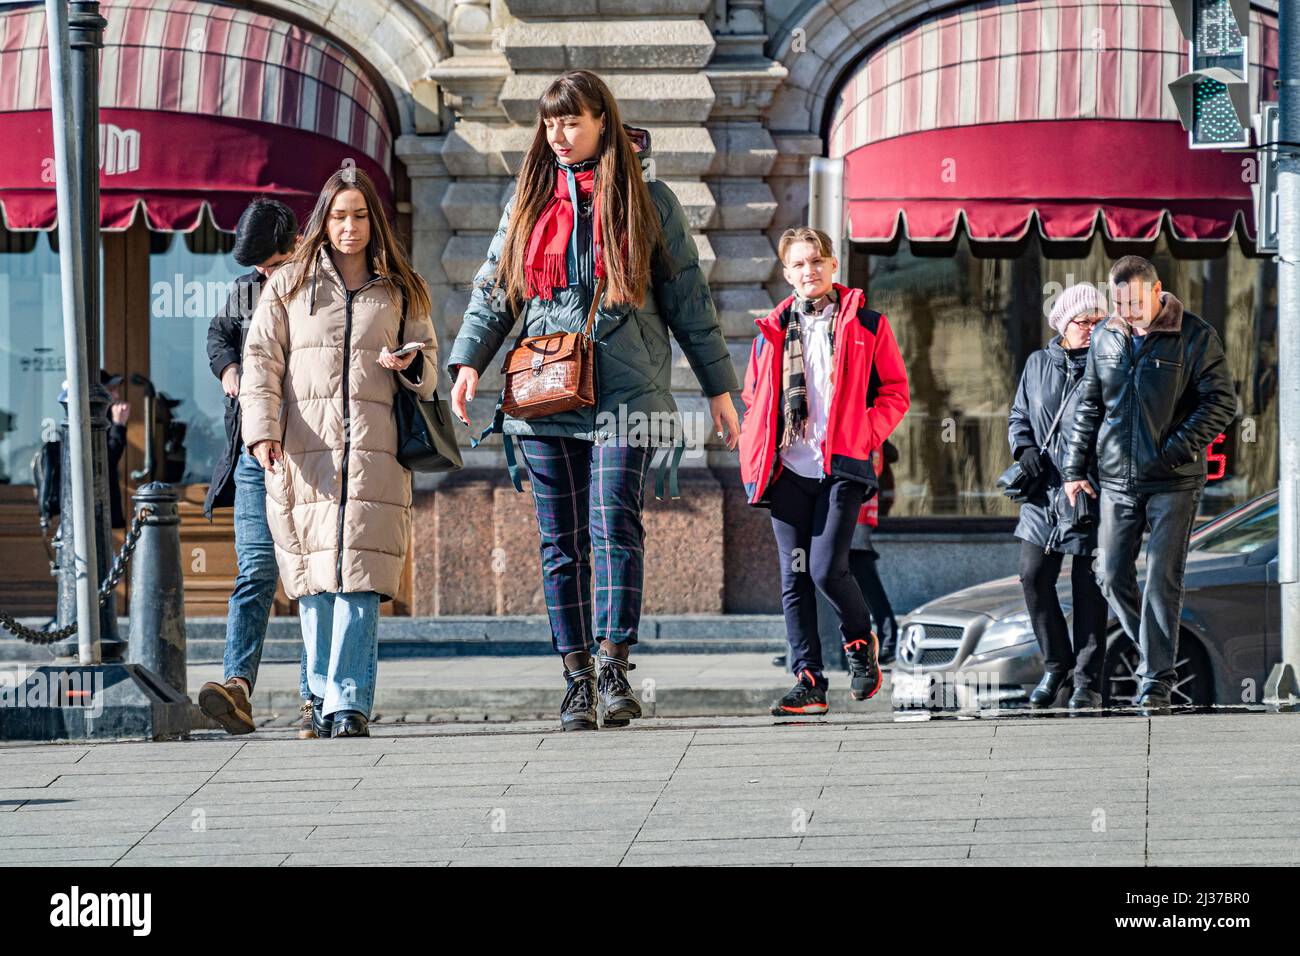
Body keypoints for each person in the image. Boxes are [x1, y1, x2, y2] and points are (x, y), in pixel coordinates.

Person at [445, 70, 740, 731]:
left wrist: (720, 388)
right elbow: (497, 291)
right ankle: (575, 675)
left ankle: (613, 665)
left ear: (604, 122)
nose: (559, 134)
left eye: (572, 121)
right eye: (550, 123)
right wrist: (467, 362)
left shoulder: (649, 201)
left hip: (625, 391)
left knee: (614, 525)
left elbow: (688, 299)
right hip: (547, 390)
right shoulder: (527, 201)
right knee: (559, 541)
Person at [240, 168, 438, 739]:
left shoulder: (403, 287)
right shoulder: (289, 285)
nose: (349, 227)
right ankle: (322, 696)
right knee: (315, 580)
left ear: (375, 221)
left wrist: (412, 363)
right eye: (338, 216)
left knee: (360, 576)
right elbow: (261, 364)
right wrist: (262, 432)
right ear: (322, 221)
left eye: (359, 215)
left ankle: (348, 703)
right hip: (308, 451)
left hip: (376, 451)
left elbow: (427, 369)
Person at [739, 227, 910, 716]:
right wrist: (756, 439)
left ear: (833, 265)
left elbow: (895, 393)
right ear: (786, 273)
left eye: (816, 261)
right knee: (793, 576)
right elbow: (756, 397)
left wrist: (863, 433)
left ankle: (860, 642)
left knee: (825, 569)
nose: (808, 271)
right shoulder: (771, 332)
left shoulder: (869, 325)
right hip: (788, 469)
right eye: (798, 264)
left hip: (842, 468)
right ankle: (809, 679)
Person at [1062, 256, 1237, 712]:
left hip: (1174, 480)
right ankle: (1155, 649)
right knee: (1110, 573)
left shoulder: (1195, 336)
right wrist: (1074, 470)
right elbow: (1089, 405)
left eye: (1135, 302)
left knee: (1162, 578)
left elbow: (1221, 402)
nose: (1127, 311)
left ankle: (1155, 680)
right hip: (1117, 479)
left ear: (1157, 291)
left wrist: (1174, 448)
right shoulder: (1106, 335)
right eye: (1118, 303)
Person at [197, 198, 316, 737]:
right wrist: (231, 371)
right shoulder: (247, 288)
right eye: (258, 266)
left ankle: (316, 699)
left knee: (315, 578)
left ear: (293, 243)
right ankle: (237, 688)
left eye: (271, 262)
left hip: (311, 455)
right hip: (252, 454)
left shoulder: (319, 285)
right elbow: (218, 336)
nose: (264, 274)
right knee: (256, 572)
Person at [1007, 284, 1110, 709]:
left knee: (1090, 588)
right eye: (1083, 321)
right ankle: (1056, 664)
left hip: (1088, 490)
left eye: (1099, 321)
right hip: (1043, 493)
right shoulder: (1037, 363)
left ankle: (1087, 682)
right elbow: (1019, 416)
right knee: (1033, 575)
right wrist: (1024, 449)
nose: (1091, 328)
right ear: (1063, 324)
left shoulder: (1109, 364)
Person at [102, 370, 128, 529]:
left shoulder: (107, 418)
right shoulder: (91, 419)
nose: (116, 396)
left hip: (107, 500)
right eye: (111, 390)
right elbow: (107, 460)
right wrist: (119, 425)